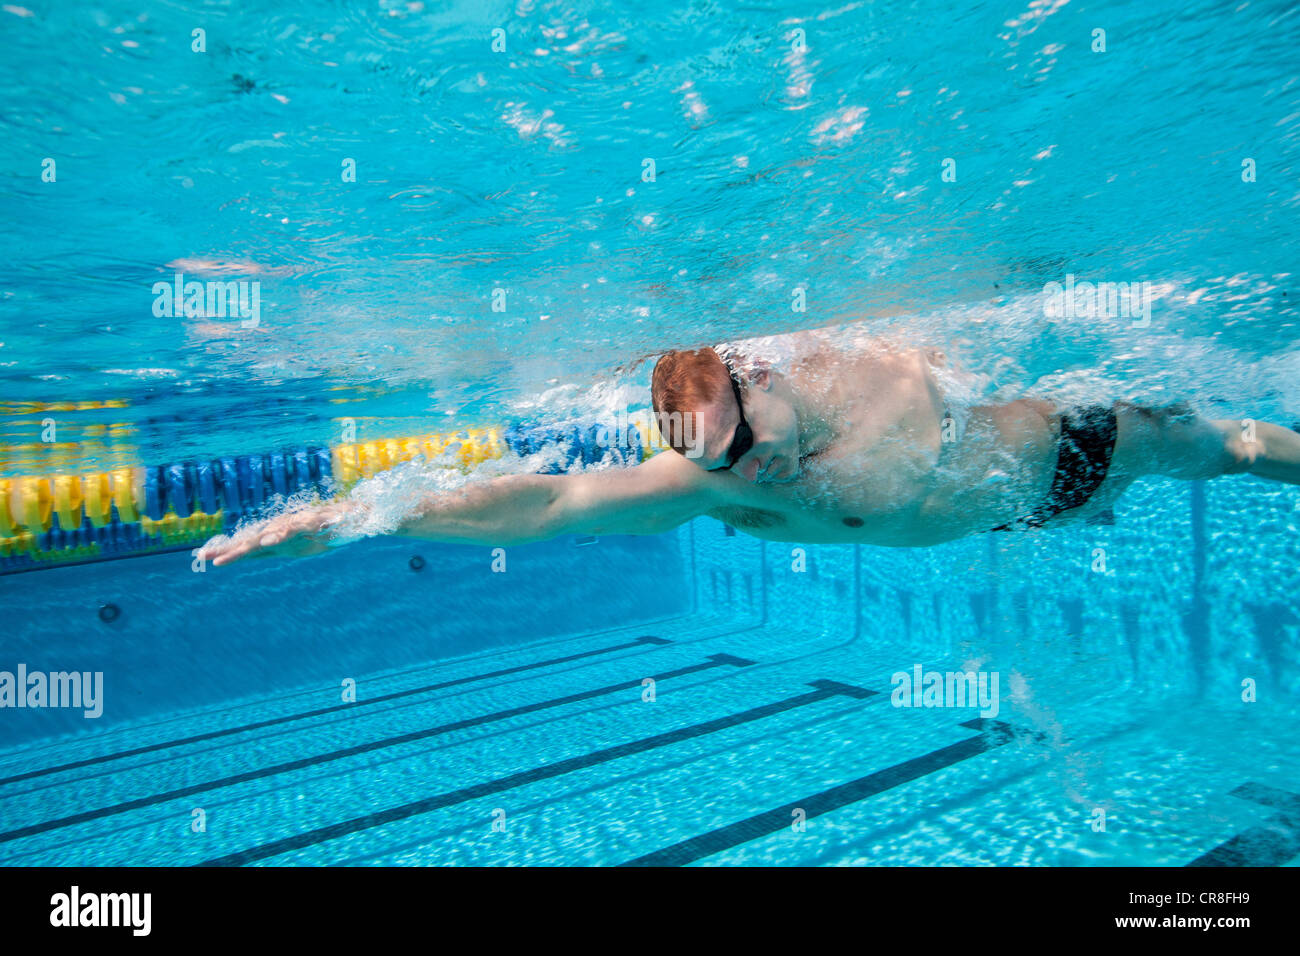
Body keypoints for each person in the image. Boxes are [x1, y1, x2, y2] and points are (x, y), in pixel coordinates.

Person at [196, 330, 1300, 566]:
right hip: (1019, 511)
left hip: (1089, 449)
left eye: (747, 442)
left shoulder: (875, 365)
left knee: (1239, 447)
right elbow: (543, 502)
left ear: (762, 381)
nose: (747, 474)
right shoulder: (721, 478)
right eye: (717, 465)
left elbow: (976, 347)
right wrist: (354, 517)